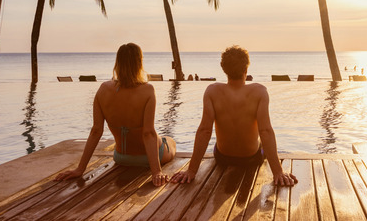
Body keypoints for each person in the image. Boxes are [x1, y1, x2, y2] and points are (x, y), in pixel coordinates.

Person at [171, 45, 297, 187]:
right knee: (262, 140)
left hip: (223, 158)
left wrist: (191, 171)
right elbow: (265, 131)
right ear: (246, 69)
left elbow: (204, 130)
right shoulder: (259, 92)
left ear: (224, 68)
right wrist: (278, 172)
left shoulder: (212, 91)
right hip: (252, 158)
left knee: (218, 142)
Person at [55, 43, 176, 186]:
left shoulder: (103, 89)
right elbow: (148, 133)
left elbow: (96, 131)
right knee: (170, 140)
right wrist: (156, 172)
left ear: (117, 63)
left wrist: (80, 169)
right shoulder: (147, 90)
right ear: (139, 63)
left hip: (121, 157)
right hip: (146, 158)